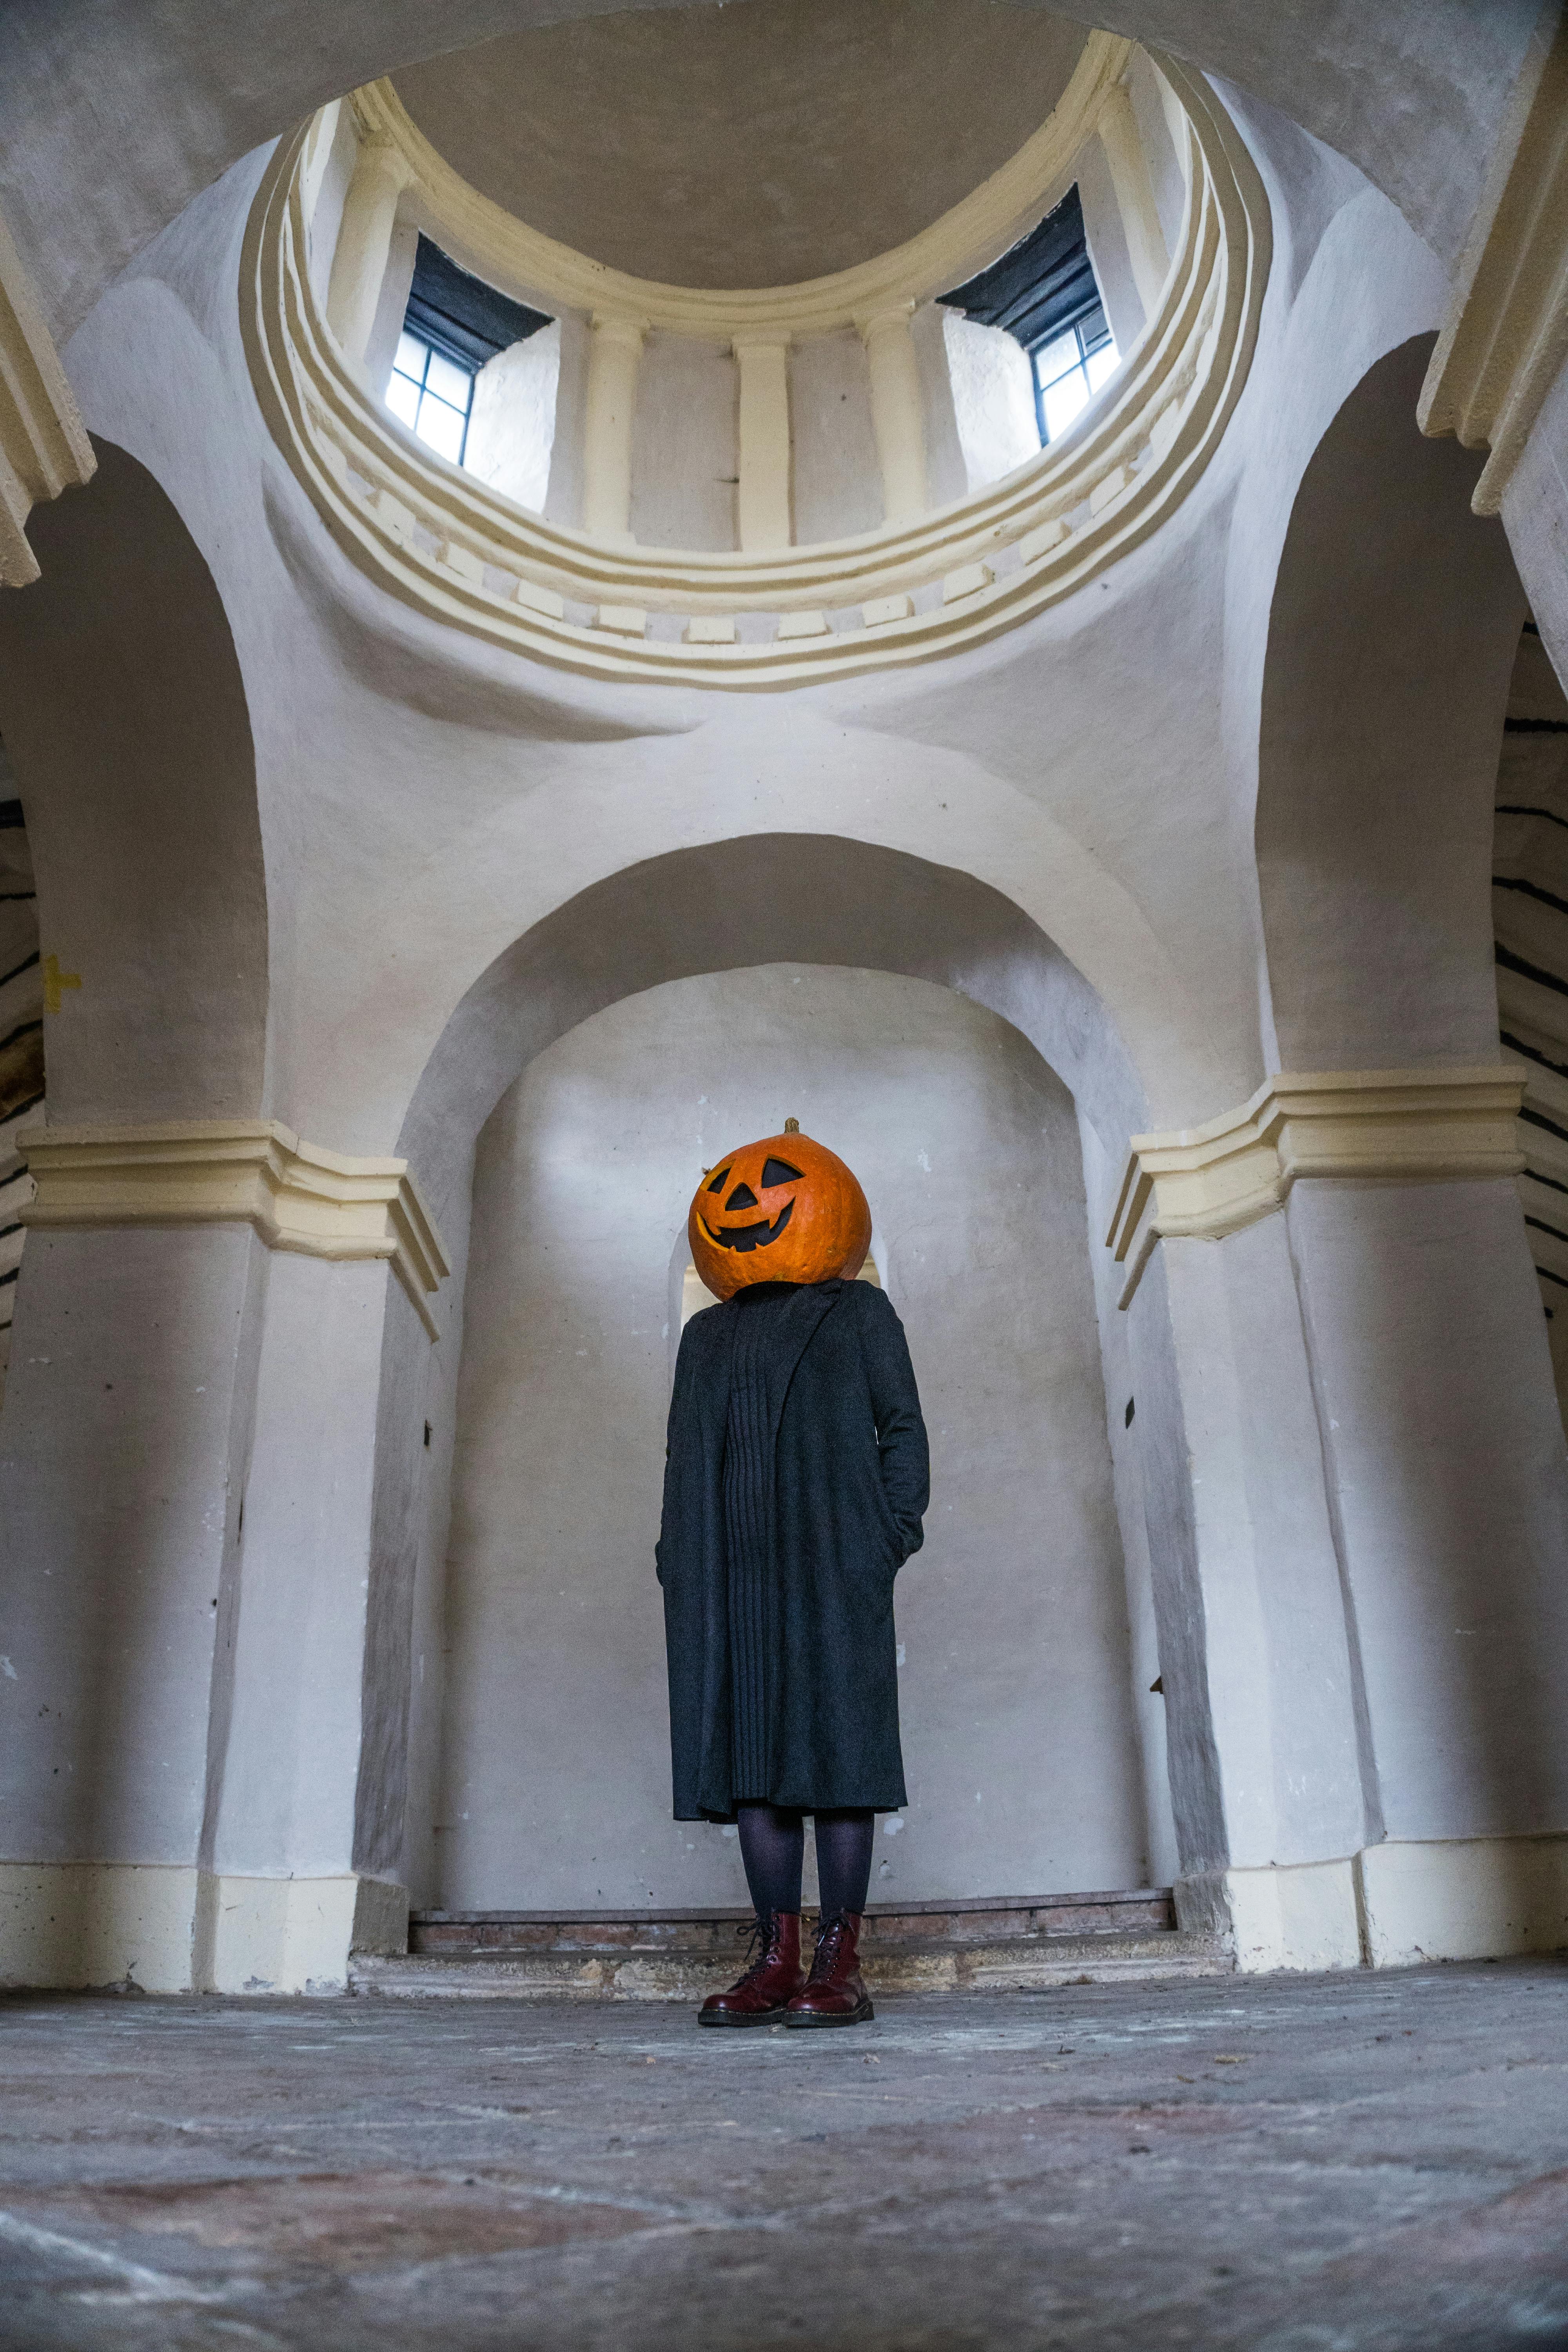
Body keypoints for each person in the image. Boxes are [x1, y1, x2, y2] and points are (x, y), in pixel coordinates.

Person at [656, 1124, 929, 2027]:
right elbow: (678, 1458)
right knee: (751, 1767)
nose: (743, 1201)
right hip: (724, 1570)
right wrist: (676, 1559)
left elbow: (902, 1430)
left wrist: (885, 1536)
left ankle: (838, 1964)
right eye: (727, 1188)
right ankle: (774, 1959)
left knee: (839, 1758)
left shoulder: (857, 1314)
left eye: (772, 1186)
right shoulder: (704, 1336)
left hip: (832, 1558)